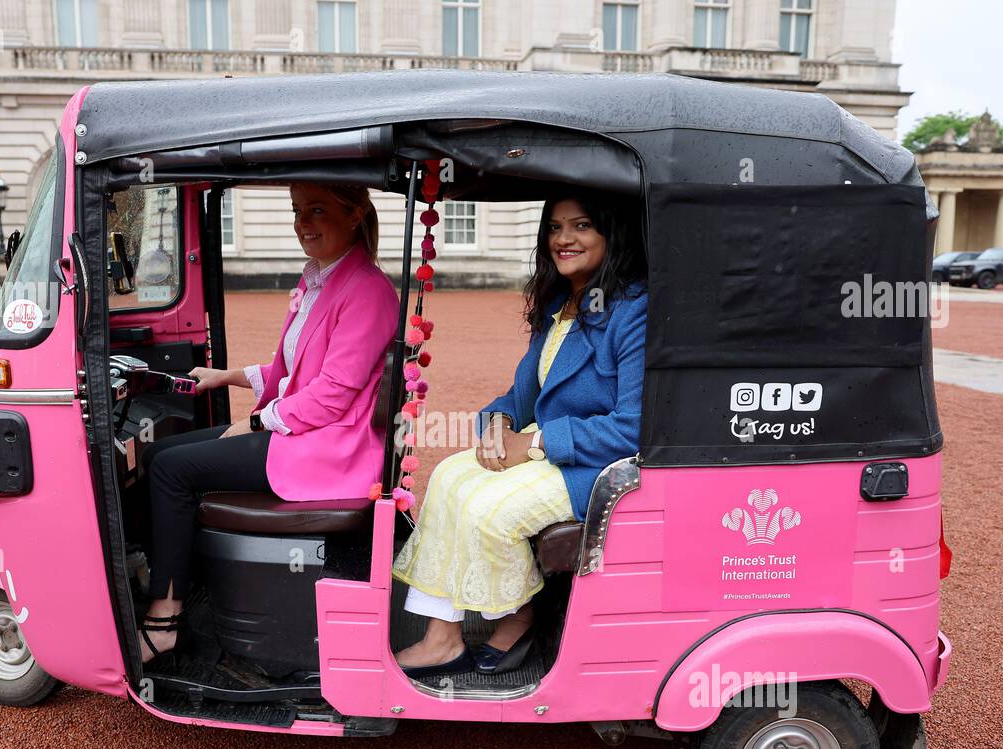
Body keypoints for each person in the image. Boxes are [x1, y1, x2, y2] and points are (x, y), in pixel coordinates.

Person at [136, 183, 399, 663]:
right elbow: (292, 370)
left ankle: (165, 616)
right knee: (155, 454)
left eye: (317, 210)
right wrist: (226, 377)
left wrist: (260, 424)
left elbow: (334, 394)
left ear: (356, 213)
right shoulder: (318, 280)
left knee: (172, 470)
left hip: (329, 446)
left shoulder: (367, 289)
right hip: (303, 428)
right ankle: (171, 576)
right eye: (297, 211)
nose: (303, 224)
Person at [391, 191, 647, 677]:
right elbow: (524, 394)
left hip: (601, 465)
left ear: (611, 235)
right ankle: (441, 637)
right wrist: (498, 424)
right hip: (548, 445)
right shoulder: (558, 302)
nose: (563, 239)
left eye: (581, 225)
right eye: (554, 227)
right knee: (448, 476)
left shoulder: (634, 309)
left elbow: (634, 428)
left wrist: (534, 445)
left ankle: (523, 613)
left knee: (490, 510)